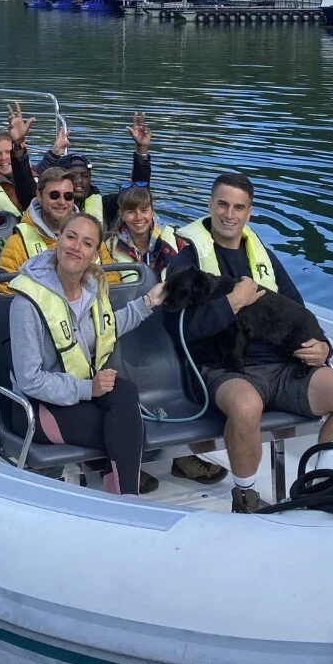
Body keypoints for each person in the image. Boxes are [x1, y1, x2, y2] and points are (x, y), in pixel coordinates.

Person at [165, 173, 333, 513]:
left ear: (249, 213)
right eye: (223, 204)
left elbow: (297, 312)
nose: (230, 214)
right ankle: (245, 495)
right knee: (247, 405)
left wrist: (323, 348)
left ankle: (320, 487)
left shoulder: (263, 257)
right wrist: (232, 303)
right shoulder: (186, 263)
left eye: (239, 207)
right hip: (223, 369)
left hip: (281, 367)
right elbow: (179, 331)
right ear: (210, 205)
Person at [8, 215, 167, 496]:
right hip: (36, 406)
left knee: (124, 392)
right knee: (126, 433)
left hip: (78, 394)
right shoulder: (27, 302)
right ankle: (128, 499)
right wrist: (87, 388)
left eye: (87, 243)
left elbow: (106, 329)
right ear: (58, 238)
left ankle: (123, 494)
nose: (76, 247)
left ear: (95, 255)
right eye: (71, 237)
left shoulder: (90, 289)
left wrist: (148, 302)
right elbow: (29, 380)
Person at [107, 188, 227, 488]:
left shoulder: (173, 244)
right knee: (125, 387)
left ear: (152, 211)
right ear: (122, 214)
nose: (139, 217)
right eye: (132, 211)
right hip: (126, 325)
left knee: (185, 373)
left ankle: (180, 456)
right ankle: (131, 459)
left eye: (144, 210)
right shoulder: (107, 249)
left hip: (167, 323)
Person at [36, 112, 152, 227]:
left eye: (85, 176)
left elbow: (138, 192)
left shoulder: (106, 205)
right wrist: (53, 156)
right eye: (74, 176)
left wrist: (142, 150)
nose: (80, 180)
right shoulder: (47, 203)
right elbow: (30, 185)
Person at [0, 166, 116, 278]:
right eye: (54, 195)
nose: (62, 202)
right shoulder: (17, 243)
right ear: (39, 196)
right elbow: (5, 292)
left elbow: (113, 282)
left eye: (68, 196)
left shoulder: (93, 237)